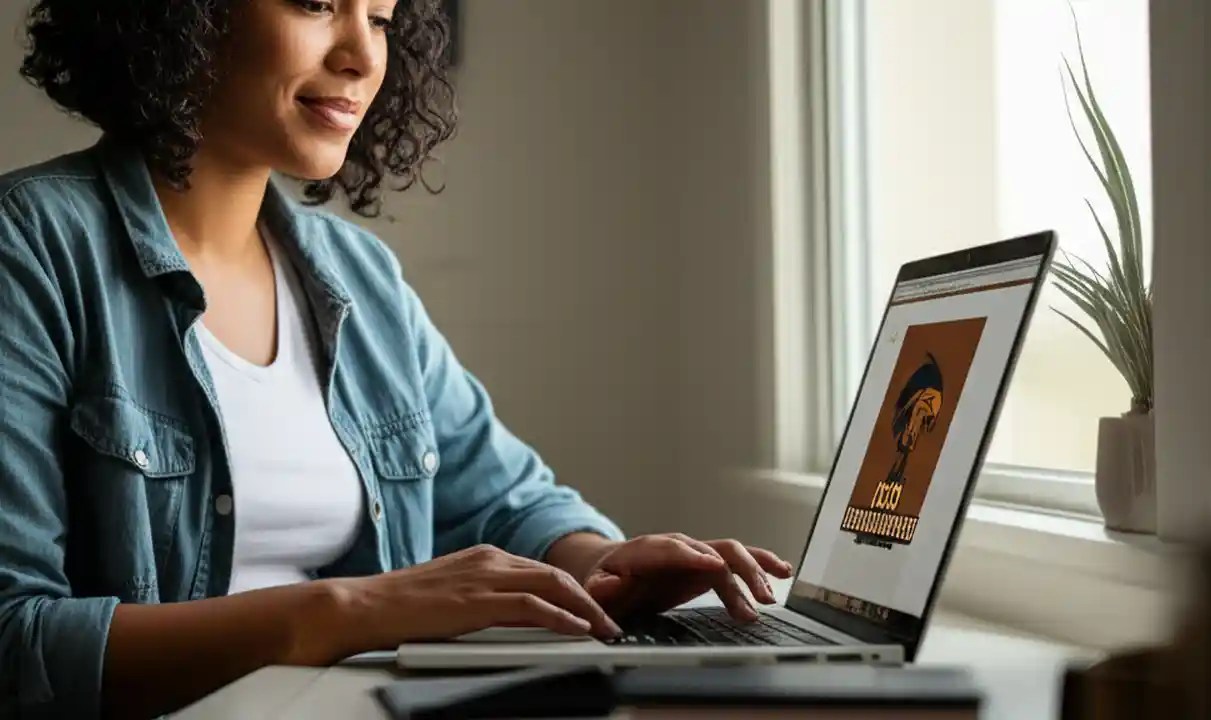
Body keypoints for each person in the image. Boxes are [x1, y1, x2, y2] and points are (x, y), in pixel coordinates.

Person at [0, 1, 791, 717]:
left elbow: (507, 504)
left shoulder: (359, 277)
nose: (362, 55)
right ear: (185, 18)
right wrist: (349, 611)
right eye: (316, 4)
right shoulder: (30, 247)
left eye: (380, 17)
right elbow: (14, 640)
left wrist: (606, 564)